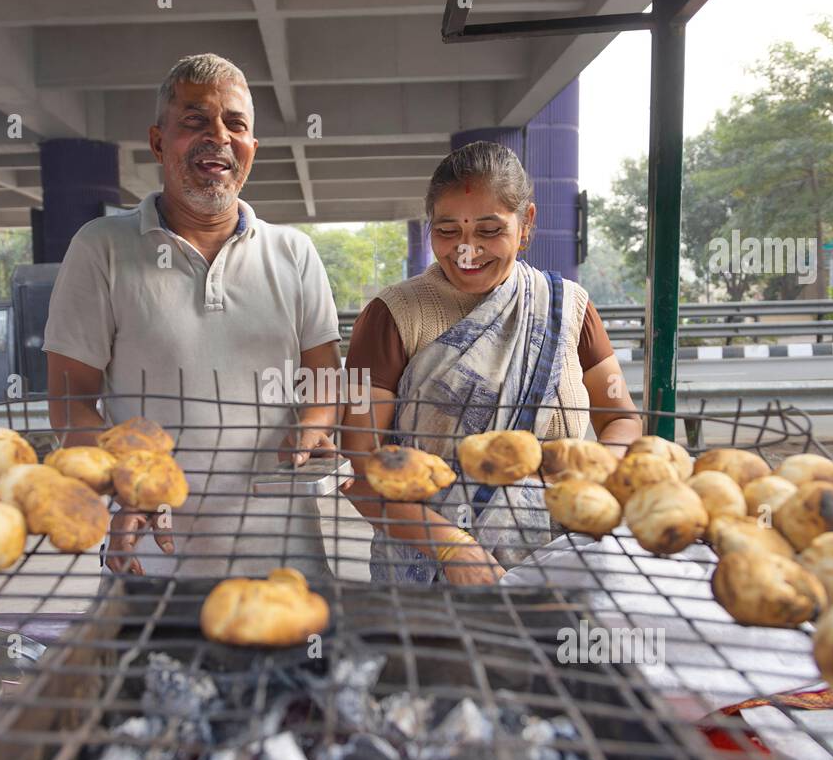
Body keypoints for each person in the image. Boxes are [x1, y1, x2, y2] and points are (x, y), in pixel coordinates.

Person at [43, 54, 343, 578]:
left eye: (235, 124)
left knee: (302, 658)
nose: (218, 136)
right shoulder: (101, 249)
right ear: (159, 142)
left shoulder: (294, 253)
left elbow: (325, 378)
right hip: (155, 558)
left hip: (286, 560)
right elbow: (69, 401)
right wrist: (124, 479)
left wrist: (316, 425)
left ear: (252, 148)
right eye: (195, 121)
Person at [341, 141, 642, 584]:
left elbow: (621, 419)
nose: (466, 250)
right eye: (447, 231)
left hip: (557, 565)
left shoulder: (566, 308)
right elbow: (364, 469)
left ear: (526, 225)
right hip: (427, 575)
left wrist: (594, 469)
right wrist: (452, 547)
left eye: (488, 231)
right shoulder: (393, 315)